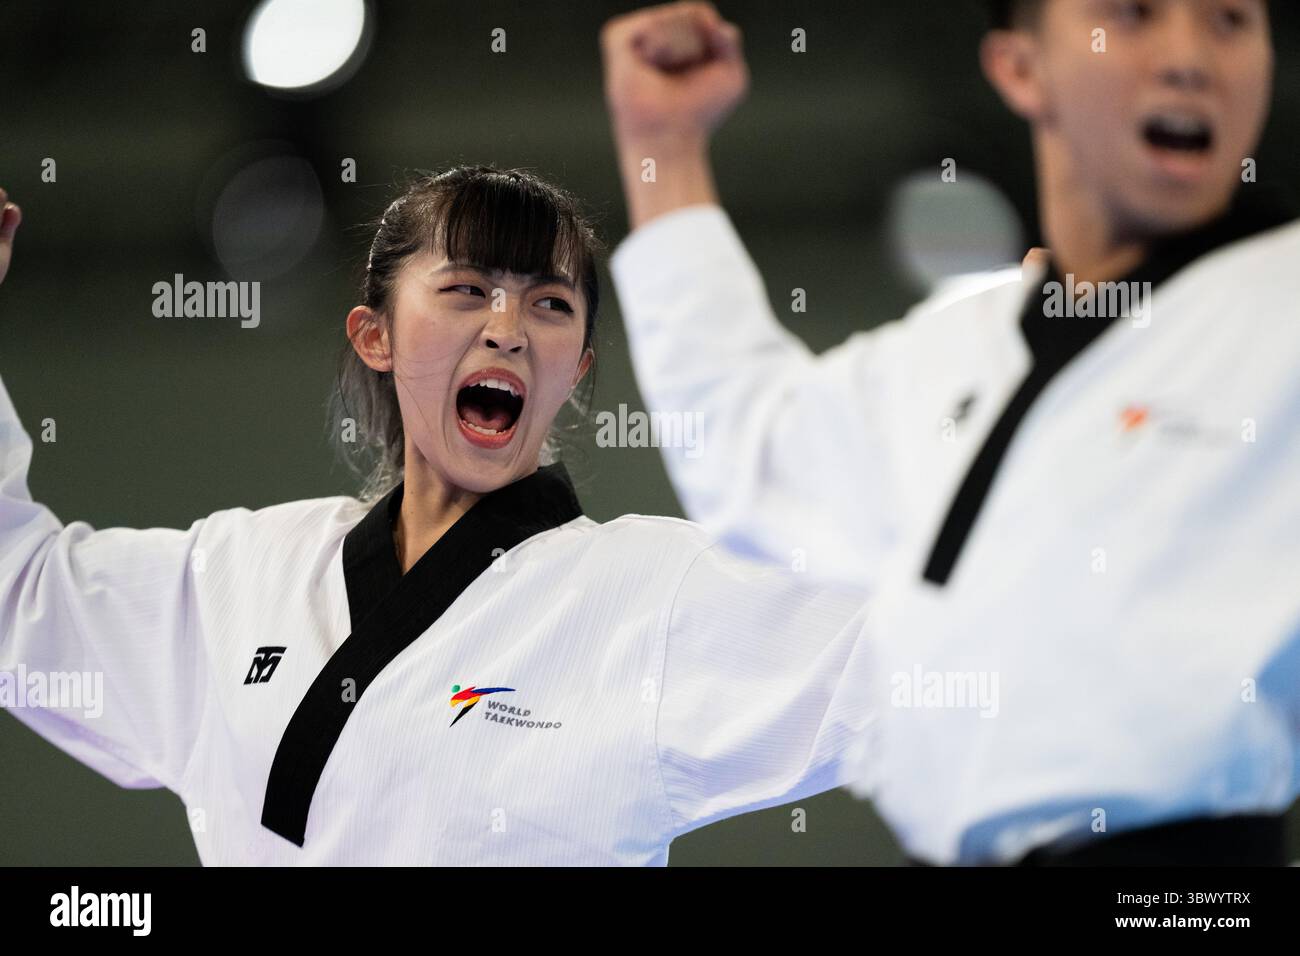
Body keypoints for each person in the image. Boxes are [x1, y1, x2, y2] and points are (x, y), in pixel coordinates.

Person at [0, 168, 875, 865]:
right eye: (466, 290)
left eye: (551, 303)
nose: (508, 329)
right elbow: (20, 590)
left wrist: (1011, 393)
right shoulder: (242, 572)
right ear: (373, 334)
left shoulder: (652, 596)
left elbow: (908, 648)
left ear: (577, 370)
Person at [602, 0, 1300, 864]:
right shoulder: (956, 347)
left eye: (1231, 21)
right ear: (1020, 69)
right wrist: (663, 149)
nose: (1190, 57)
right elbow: (747, 448)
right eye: (1134, 15)